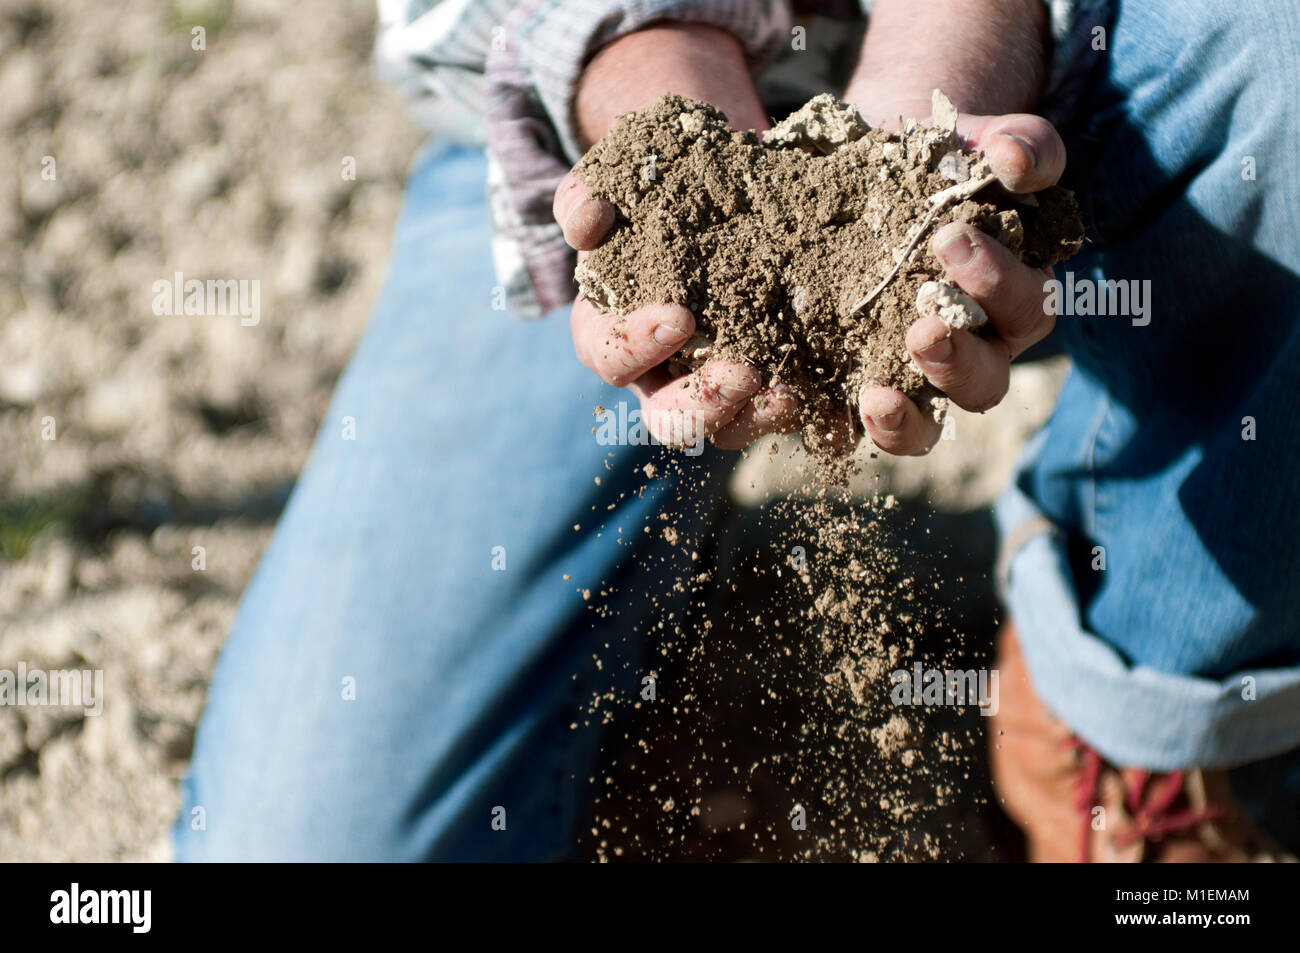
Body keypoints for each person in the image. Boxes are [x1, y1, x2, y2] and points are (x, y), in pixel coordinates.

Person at [174, 0, 1300, 861]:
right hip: (582, 123)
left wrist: (954, 47)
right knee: (312, 837)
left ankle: (1131, 695)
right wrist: (645, 85)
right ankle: (641, 625)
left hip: (1103, 69)